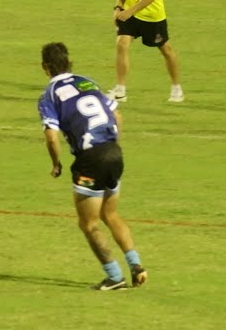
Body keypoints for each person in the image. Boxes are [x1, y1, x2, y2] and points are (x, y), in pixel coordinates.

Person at [36, 42, 147, 291]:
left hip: (90, 159)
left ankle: (114, 277)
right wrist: (111, 145)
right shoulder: (87, 82)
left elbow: (52, 136)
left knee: (88, 223)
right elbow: (117, 116)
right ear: (69, 61)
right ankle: (136, 265)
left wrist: (56, 163)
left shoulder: (49, 95)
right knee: (111, 214)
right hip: (113, 152)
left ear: (45, 67)